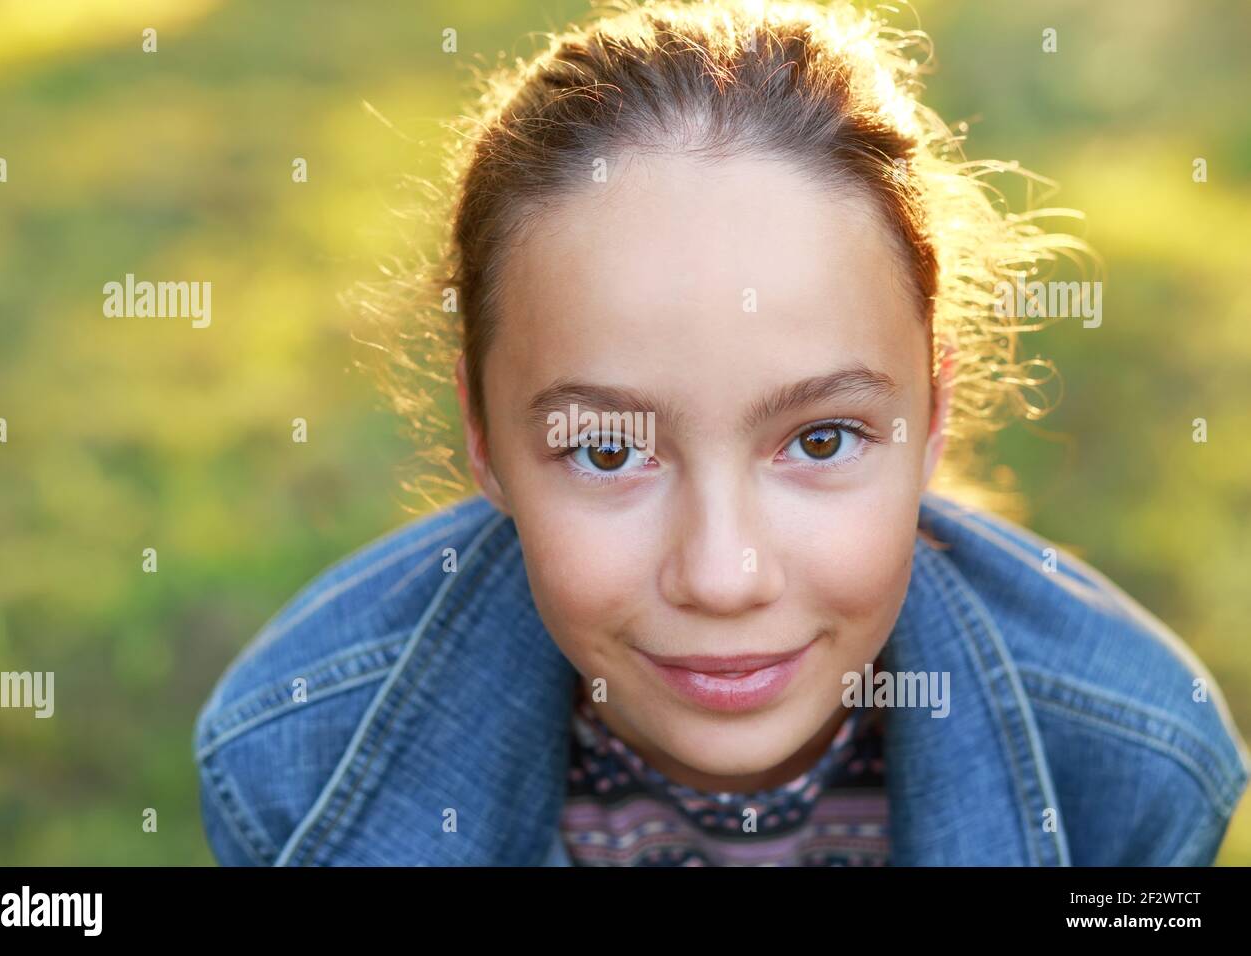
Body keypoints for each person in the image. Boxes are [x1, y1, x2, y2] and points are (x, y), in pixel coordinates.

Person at [193, 0, 1249, 866]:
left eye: (822, 438)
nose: (722, 574)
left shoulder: (1129, 766)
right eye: (607, 450)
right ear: (483, 441)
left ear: (933, 419)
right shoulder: (290, 757)